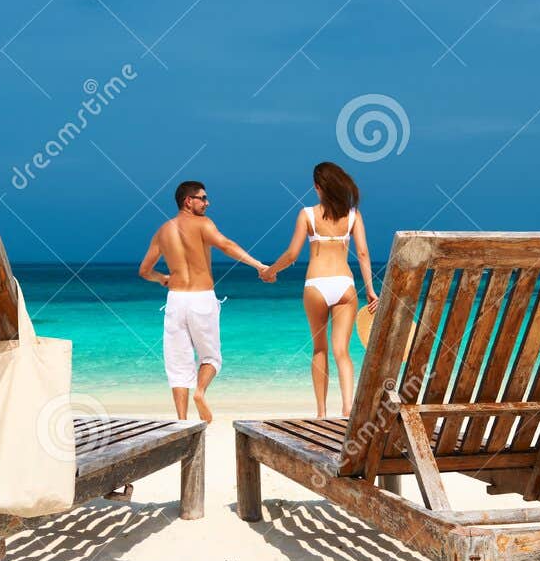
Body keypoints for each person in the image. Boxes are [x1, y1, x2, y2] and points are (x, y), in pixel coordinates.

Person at [139, 179, 271, 422]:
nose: (208, 203)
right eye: (203, 198)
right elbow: (226, 245)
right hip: (201, 299)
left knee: (177, 365)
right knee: (210, 357)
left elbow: (144, 271)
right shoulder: (202, 224)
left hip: (176, 301)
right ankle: (200, 393)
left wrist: (162, 278)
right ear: (188, 201)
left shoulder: (163, 231)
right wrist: (259, 265)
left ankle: (181, 422)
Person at [260, 161, 378, 418]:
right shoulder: (353, 215)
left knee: (319, 349)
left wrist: (270, 271)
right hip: (345, 285)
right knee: (342, 352)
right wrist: (370, 290)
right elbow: (362, 253)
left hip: (316, 284)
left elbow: (292, 254)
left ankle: (322, 412)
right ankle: (348, 408)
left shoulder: (307, 214)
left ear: (317, 186)